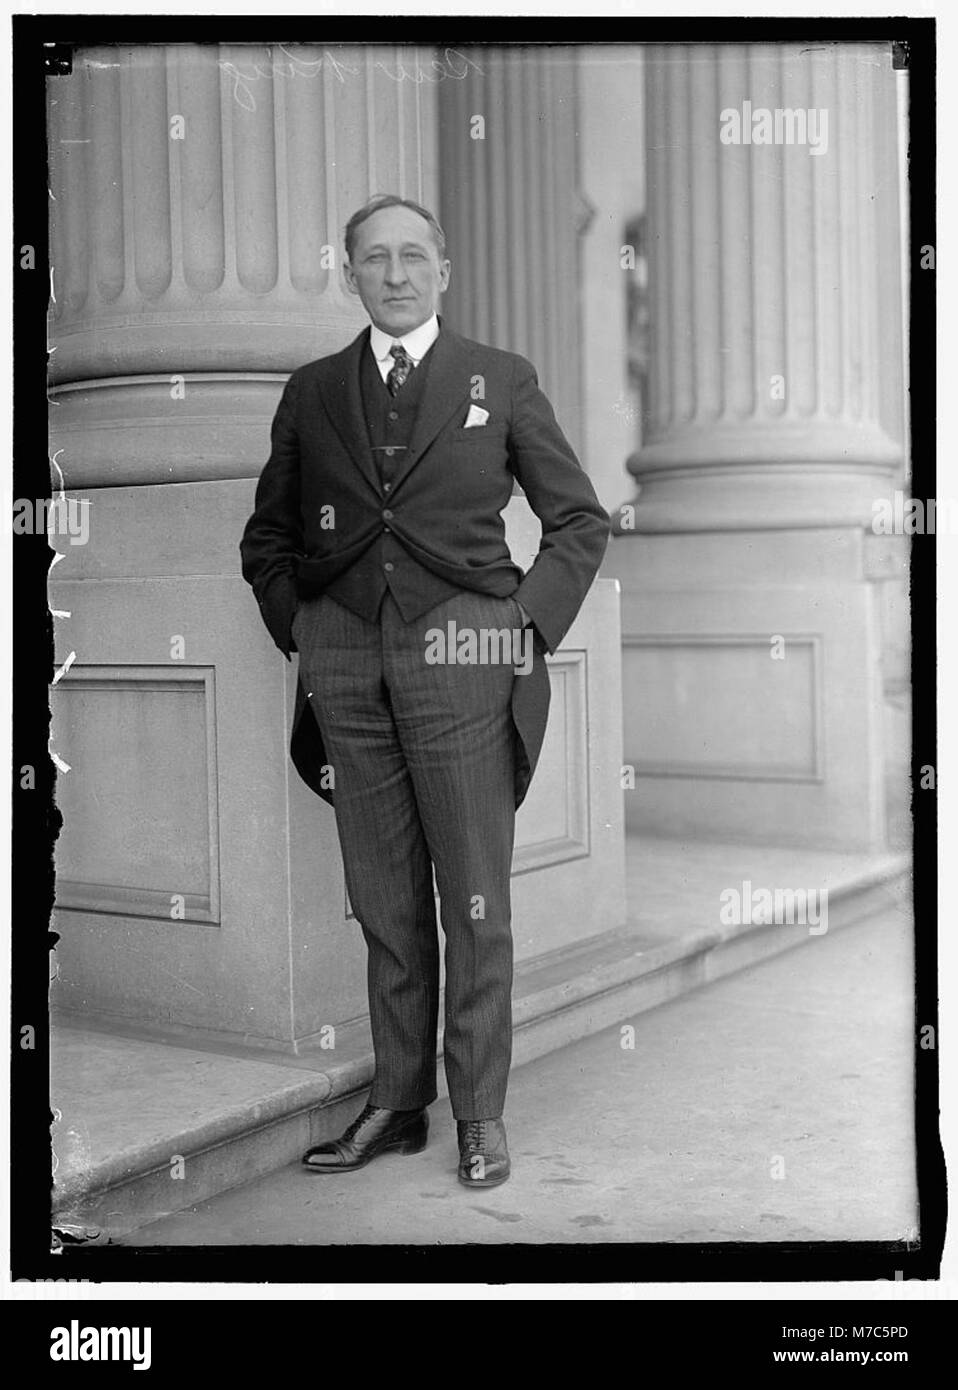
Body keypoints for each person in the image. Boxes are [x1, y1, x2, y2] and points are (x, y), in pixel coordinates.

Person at [240, 194, 609, 1188]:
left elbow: (580, 519)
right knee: (383, 897)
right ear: (349, 273)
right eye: (374, 259)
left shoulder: (502, 379)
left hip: (466, 661)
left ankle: (480, 1114)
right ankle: (398, 1103)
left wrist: (518, 629)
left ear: (442, 267)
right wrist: (309, 631)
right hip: (347, 665)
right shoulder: (312, 390)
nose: (395, 274)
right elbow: (265, 539)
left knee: (474, 903)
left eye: (412, 256)